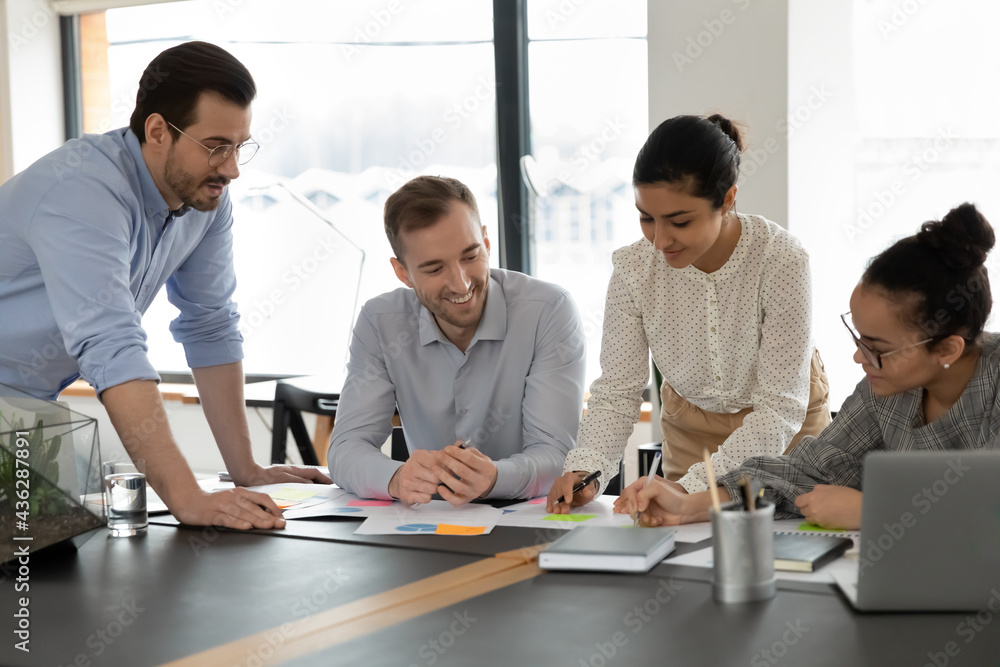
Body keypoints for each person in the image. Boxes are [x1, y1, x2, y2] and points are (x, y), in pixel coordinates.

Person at [0, 41, 329, 530]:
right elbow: (111, 343)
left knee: (43, 573)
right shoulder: (82, 190)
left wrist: (247, 473)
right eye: (217, 146)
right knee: (31, 578)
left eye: (240, 147)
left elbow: (210, 324)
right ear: (158, 131)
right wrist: (186, 499)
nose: (232, 168)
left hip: (28, 403)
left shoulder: (204, 199)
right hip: (15, 397)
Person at [619, 202, 999, 529]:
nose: (859, 358)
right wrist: (689, 505)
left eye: (877, 348)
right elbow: (805, 472)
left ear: (947, 349)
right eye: (858, 340)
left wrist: (875, 512)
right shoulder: (883, 392)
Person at [547, 114, 830, 512]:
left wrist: (694, 488)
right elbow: (617, 390)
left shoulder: (782, 260)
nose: (660, 240)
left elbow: (780, 408)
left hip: (785, 429)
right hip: (690, 427)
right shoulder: (633, 270)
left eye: (679, 221)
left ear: (728, 200)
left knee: (790, 542)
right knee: (687, 550)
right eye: (646, 217)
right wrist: (587, 470)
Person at [327, 175, 586, 504]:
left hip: (531, 520)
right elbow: (346, 449)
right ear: (403, 272)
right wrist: (394, 478)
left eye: (470, 256)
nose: (461, 284)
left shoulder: (548, 311)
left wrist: (496, 478)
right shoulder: (380, 323)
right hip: (429, 527)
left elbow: (557, 454)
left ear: (487, 243)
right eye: (434, 269)